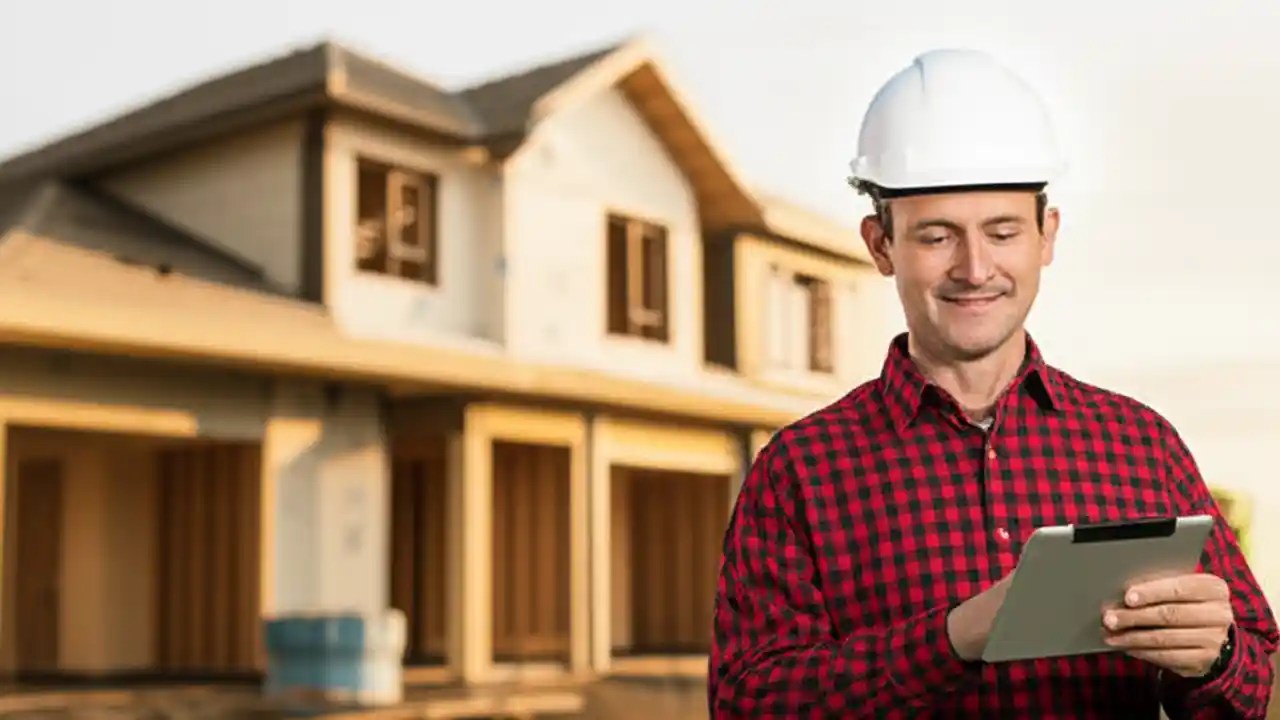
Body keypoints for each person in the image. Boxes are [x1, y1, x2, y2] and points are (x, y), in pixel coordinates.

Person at [708, 48, 1278, 718]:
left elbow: (1249, 684)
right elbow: (748, 703)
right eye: (937, 237)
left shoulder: (1142, 444)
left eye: (1002, 232)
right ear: (881, 244)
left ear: (1047, 236)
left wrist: (1214, 660)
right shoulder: (801, 470)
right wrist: (955, 638)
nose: (975, 268)